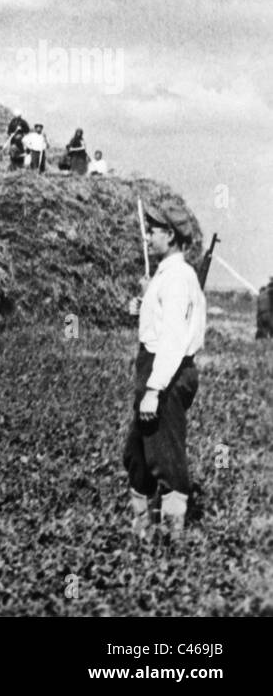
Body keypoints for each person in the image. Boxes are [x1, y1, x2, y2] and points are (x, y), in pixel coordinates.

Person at [124, 202, 205, 542]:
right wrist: (142, 306)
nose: (148, 236)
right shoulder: (166, 275)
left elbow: (172, 338)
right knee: (137, 453)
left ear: (169, 235)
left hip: (166, 372)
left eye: (153, 230)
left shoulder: (177, 278)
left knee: (165, 453)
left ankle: (174, 539)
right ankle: (143, 528)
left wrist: (156, 388)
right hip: (156, 366)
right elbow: (163, 322)